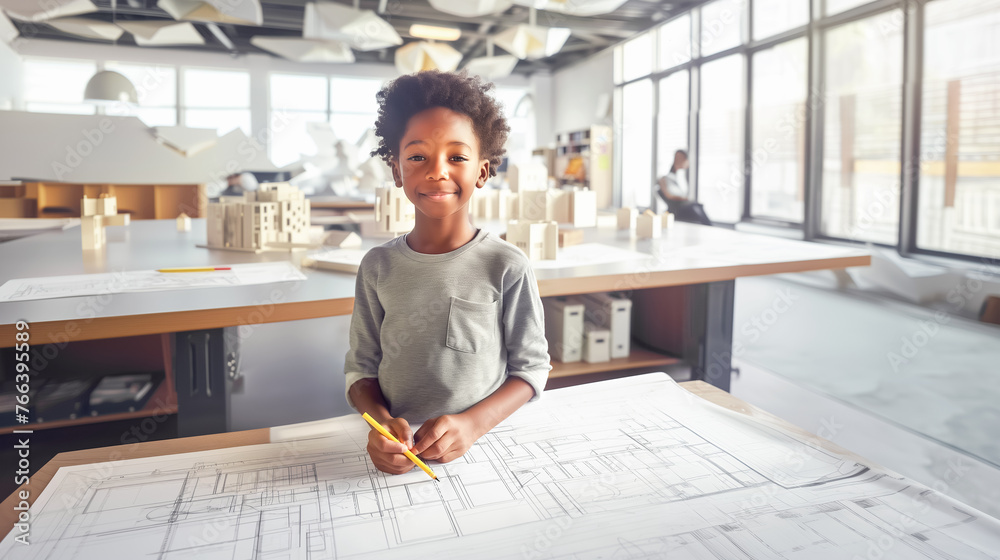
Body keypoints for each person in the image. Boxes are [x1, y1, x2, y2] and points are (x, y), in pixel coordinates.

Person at [344, 71, 551, 475]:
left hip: (487, 450)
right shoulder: (377, 266)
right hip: (402, 454)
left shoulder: (507, 265)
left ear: (482, 172)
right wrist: (380, 425)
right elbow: (360, 370)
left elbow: (532, 369)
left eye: (457, 157)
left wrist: (473, 425)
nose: (437, 171)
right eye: (417, 157)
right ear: (396, 171)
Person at [657, 150, 712, 226]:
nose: (679, 160)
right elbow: (669, 195)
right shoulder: (664, 179)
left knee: (698, 206)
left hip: (684, 205)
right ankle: (708, 226)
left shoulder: (681, 177)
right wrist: (684, 199)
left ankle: (708, 226)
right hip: (677, 207)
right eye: (677, 158)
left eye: (682, 158)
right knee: (695, 207)